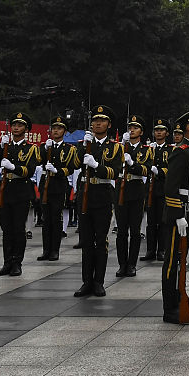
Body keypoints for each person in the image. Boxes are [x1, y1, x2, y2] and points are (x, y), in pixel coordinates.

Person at [162, 104, 189, 324]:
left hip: (188, 210)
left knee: (181, 258)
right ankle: (169, 308)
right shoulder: (181, 152)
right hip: (178, 212)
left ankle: (179, 301)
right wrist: (178, 213)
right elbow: (170, 187)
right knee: (171, 261)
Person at [74, 105, 124, 298]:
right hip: (84, 193)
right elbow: (75, 165)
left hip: (102, 194)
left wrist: (97, 166)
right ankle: (86, 281)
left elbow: (116, 172)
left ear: (108, 125)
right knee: (86, 241)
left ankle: (98, 282)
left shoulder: (115, 147)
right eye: (95, 120)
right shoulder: (84, 143)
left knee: (100, 241)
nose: (98, 123)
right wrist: (81, 149)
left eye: (102, 120)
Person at [0, 112, 42, 276]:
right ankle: (7, 262)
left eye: (19, 125)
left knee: (18, 229)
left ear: (26, 129)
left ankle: (17, 263)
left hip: (21, 190)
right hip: (5, 190)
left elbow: (30, 170)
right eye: (14, 125)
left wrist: (14, 168)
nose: (16, 128)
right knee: (6, 229)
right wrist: (0, 147)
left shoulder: (31, 148)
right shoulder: (6, 145)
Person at [38, 115, 78, 261]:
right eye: (54, 128)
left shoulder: (69, 149)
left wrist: (57, 171)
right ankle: (46, 250)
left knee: (56, 218)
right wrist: (45, 149)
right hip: (46, 184)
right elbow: (38, 160)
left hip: (59, 184)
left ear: (64, 131)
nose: (56, 131)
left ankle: (55, 250)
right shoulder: (45, 146)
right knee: (45, 218)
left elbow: (71, 168)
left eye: (59, 128)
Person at [116, 115, 152, 277]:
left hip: (136, 191)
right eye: (130, 127)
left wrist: (132, 164)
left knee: (135, 231)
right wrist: (123, 146)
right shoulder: (119, 147)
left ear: (141, 132)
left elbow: (146, 170)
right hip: (121, 190)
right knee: (121, 231)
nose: (131, 130)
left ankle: (132, 264)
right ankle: (122, 264)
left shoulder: (146, 150)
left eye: (135, 127)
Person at [141, 117, 172, 262]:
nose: (158, 133)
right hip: (150, 189)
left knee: (163, 221)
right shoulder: (149, 149)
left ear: (167, 133)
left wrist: (159, 171)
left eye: (161, 130)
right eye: (156, 130)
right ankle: (150, 250)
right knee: (151, 221)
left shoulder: (171, 149)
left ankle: (162, 249)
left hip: (163, 188)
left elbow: (171, 168)